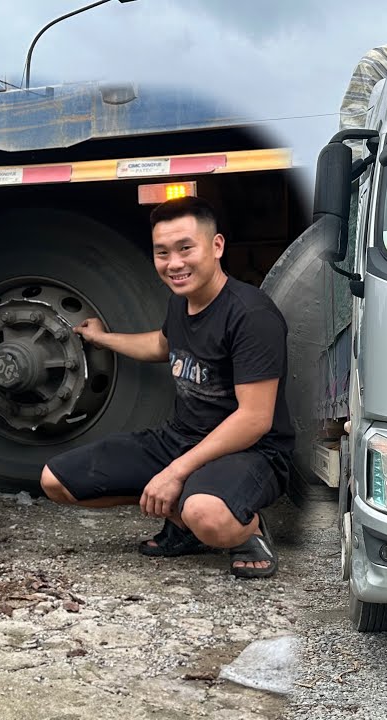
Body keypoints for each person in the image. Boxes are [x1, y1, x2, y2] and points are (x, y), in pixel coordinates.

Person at [39, 195, 294, 578]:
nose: (174, 264)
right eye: (162, 253)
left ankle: (247, 531)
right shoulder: (182, 301)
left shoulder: (251, 315)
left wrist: (175, 472)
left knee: (206, 512)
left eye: (185, 248)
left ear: (217, 246)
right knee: (55, 481)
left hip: (251, 452)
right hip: (179, 439)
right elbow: (162, 345)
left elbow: (255, 419)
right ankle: (184, 522)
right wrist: (104, 339)